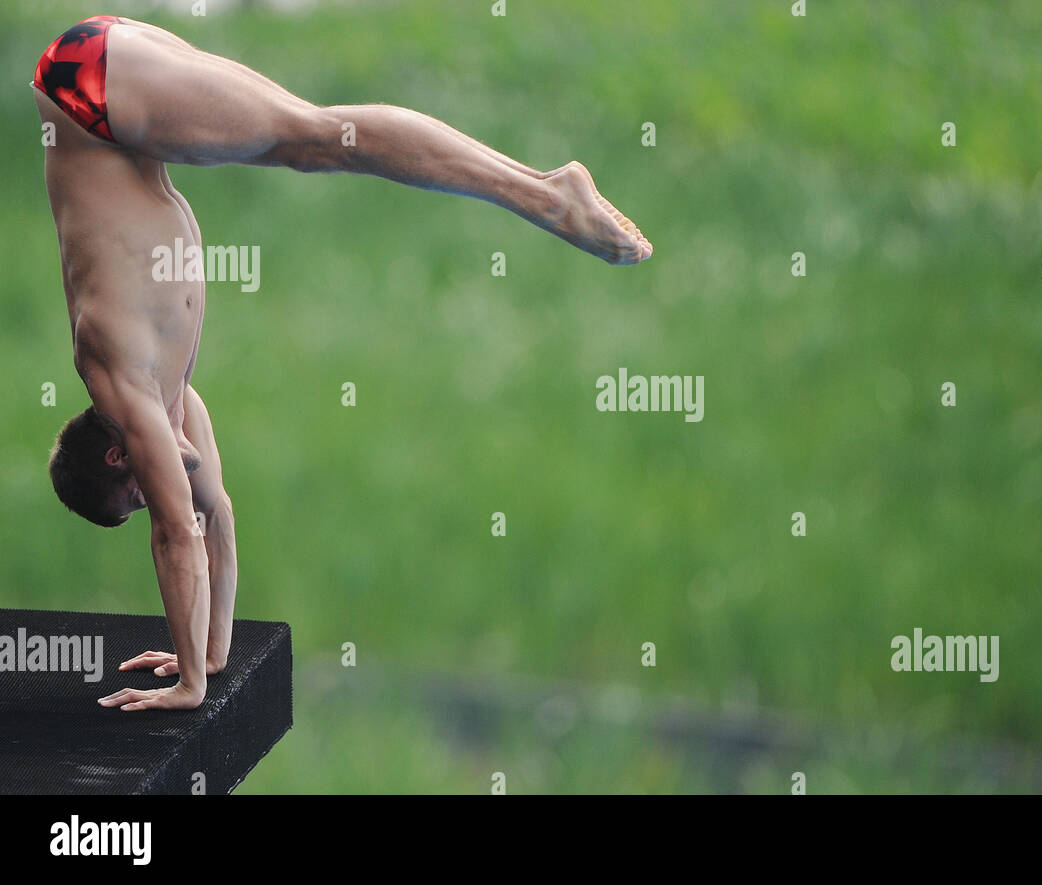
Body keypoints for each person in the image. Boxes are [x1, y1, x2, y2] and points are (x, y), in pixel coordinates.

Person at [35, 15, 652, 711]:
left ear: (118, 458)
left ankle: (546, 194)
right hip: (99, 82)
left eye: (133, 493)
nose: (153, 489)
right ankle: (544, 190)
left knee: (319, 140)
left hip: (86, 87)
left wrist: (189, 689)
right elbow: (215, 515)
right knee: (311, 135)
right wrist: (206, 652)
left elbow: (175, 533)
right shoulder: (173, 399)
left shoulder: (118, 379)